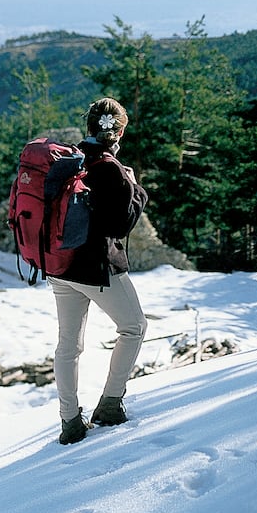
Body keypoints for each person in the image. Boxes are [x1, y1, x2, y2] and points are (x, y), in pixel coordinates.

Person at [51, 97, 149, 445]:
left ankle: (69, 421)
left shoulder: (69, 158)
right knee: (134, 327)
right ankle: (109, 403)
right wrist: (136, 189)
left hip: (59, 265)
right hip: (95, 269)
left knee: (68, 346)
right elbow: (120, 224)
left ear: (90, 128)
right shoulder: (109, 168)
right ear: (119, 131)